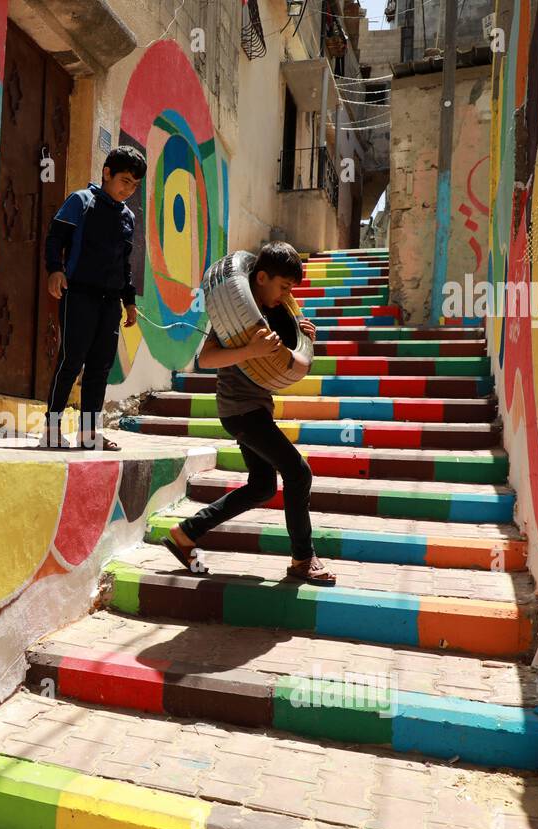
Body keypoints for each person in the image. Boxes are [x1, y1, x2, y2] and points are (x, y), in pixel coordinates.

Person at [163, 241, 337, 584]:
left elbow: (291, 356)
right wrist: (250, 349)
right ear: (260, 277)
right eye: (283, 287)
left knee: (261, 486)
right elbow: (206, 360)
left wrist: (301, 334)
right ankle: (303, 558)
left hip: (255, 409)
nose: (286, 296)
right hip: (240, 411)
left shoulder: (274, 314)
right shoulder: (236, 312)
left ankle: (186, 534)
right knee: (298, 473)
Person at [41, 145, 145, 451]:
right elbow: (55, 236)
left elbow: (124, 263)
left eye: (134, 185)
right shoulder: (80, 201)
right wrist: (55, 270)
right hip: (79, 294)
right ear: (107, 173)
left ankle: (88, 435)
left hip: (110, 302)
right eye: (124, 181)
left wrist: (129, 301)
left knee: (100, 367)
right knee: (71, 361)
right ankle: (51, 428)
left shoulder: (127, 217)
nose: (128, 190)